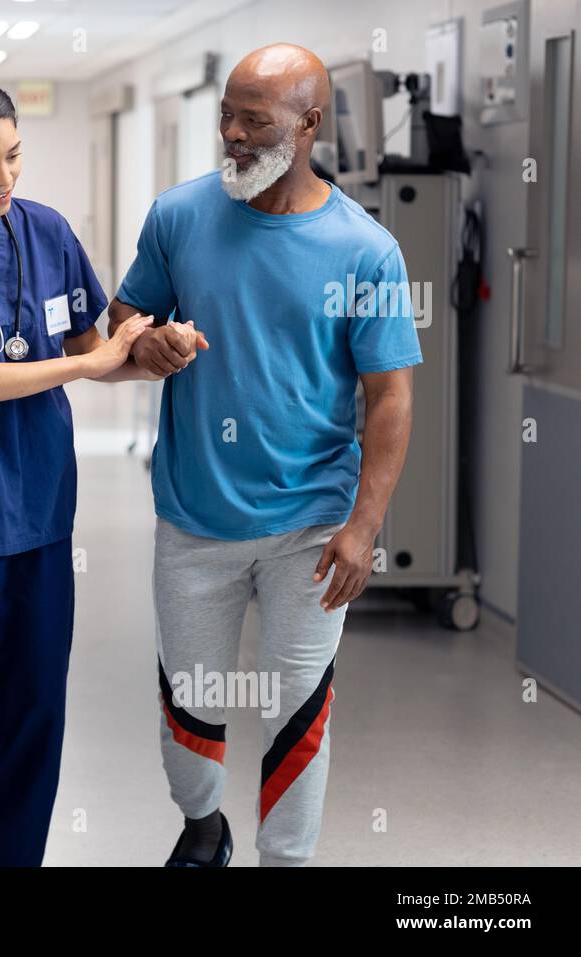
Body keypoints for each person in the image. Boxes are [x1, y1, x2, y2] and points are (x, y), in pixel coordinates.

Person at [0, 73, 202, 867]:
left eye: (14, 156)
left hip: (42, 512)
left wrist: (152, 355)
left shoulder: (47, 233)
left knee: (34, 717)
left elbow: (91, 352)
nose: (5, 179)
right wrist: (91, 369)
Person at [107, 43, 422, 866]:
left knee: (298, 710)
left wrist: (364, 527)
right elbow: (121, 325)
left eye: (255, 119)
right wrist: (152, 345)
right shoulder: (178, 216)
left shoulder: (364, 250)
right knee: (189, 709)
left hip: (310, 527)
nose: (232, 135)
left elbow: (390, 397)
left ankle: (287, 859)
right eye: (227, 114)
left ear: (309, 124)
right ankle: (202, 823)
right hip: (195, 516)